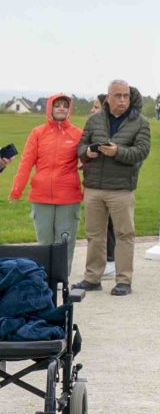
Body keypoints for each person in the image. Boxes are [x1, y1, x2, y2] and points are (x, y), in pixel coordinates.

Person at [76, 81, 150, 295]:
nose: (122, 100)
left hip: (121, 189)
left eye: (126, 95)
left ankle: (124, 281)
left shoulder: (141, 122)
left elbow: (142, 151)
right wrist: (86, 152)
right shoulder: (94, 120)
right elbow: (80, 146)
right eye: (117, 95)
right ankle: (92, 278)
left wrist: (118, 151)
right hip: (94, 187)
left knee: (124, 234)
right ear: (108, 97)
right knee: (94, 235)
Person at [8, 91, 84, 276]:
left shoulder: (78, 134)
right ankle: (44, 279)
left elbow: (87, 162)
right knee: (44, 243)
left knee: (64, 242)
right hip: (41, 197)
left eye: (65, 106)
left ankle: (62, 279)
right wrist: (17, 190)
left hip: (68, 198)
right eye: (57, 105)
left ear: (69, 110)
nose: (61, 109)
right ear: (50, 108)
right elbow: (26, 163)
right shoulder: (37, 133)